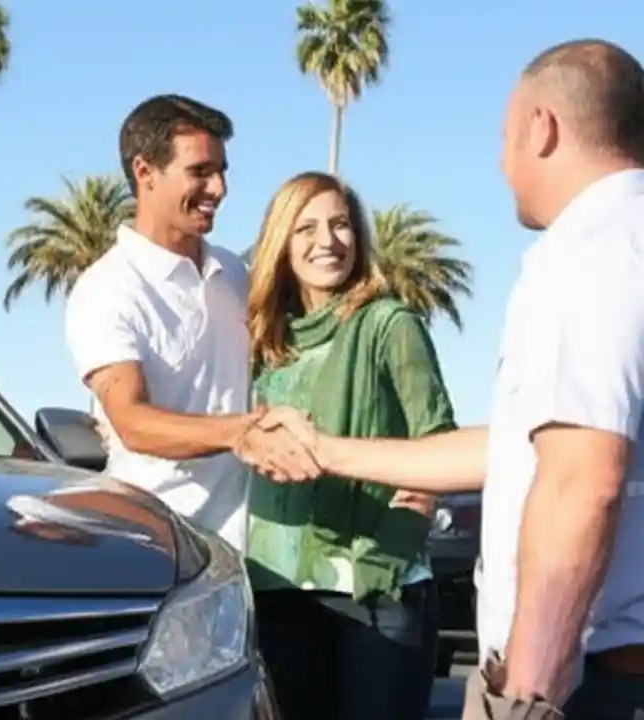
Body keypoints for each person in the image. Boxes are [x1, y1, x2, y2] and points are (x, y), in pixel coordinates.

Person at [262, 39, 644, 718]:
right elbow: (519, 448)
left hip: (581, 681)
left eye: (504, 139)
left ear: (541, 127)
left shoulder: (586, 254)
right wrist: (321, 449)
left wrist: (525, 694)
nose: (502, 165)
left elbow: (583, 479)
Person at [64, 94, 319, 552]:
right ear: (145, 173)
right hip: (161, 553)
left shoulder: (236, 273)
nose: (219, 188)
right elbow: (132, 422)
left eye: (222, 171)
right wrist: (240, 434)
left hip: (257, 558)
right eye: (200, 171)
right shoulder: (106, 289)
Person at [241, 170, 454, 720]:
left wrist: (392, 551)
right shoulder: (263, 341)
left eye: (340, 224)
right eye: (306, 228)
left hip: (376, 590)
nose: (327, 240)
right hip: (276, 590)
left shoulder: (389, 323)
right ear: (280, 244)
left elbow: (438, 444)